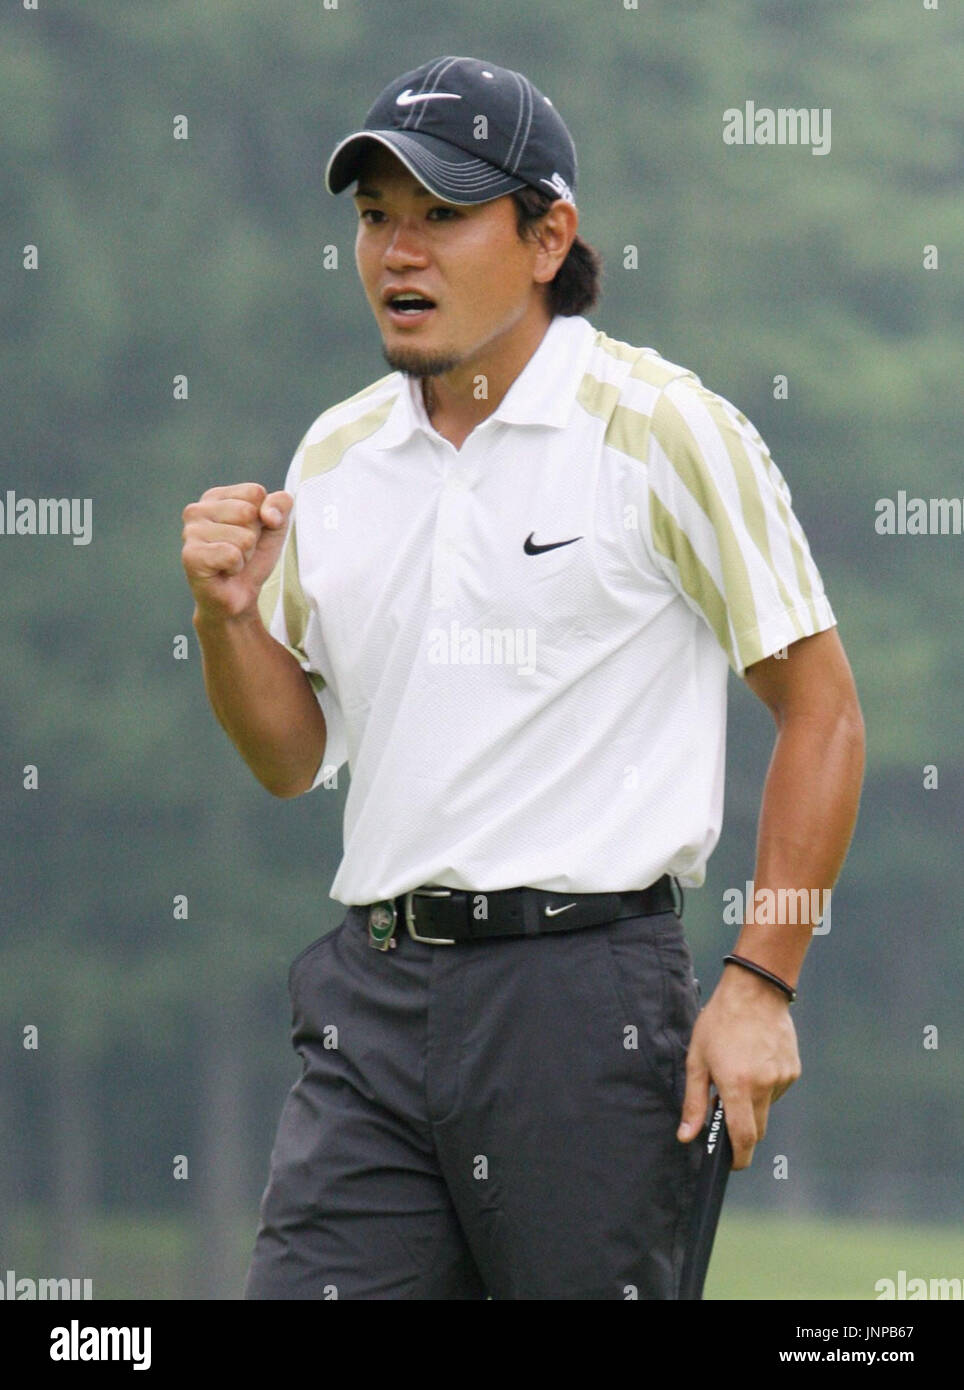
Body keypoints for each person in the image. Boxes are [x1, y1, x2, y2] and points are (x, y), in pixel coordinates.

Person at [180, 56, 865, 1300]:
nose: (399, 252)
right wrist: (227, 621)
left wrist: (761, 985)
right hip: (373, 999)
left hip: (584, 1008)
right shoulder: (335, 453)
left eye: (442, 215)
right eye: (376, 216)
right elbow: (289, 757)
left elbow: (821, 711)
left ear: (549, 235)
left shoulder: (663, 429)